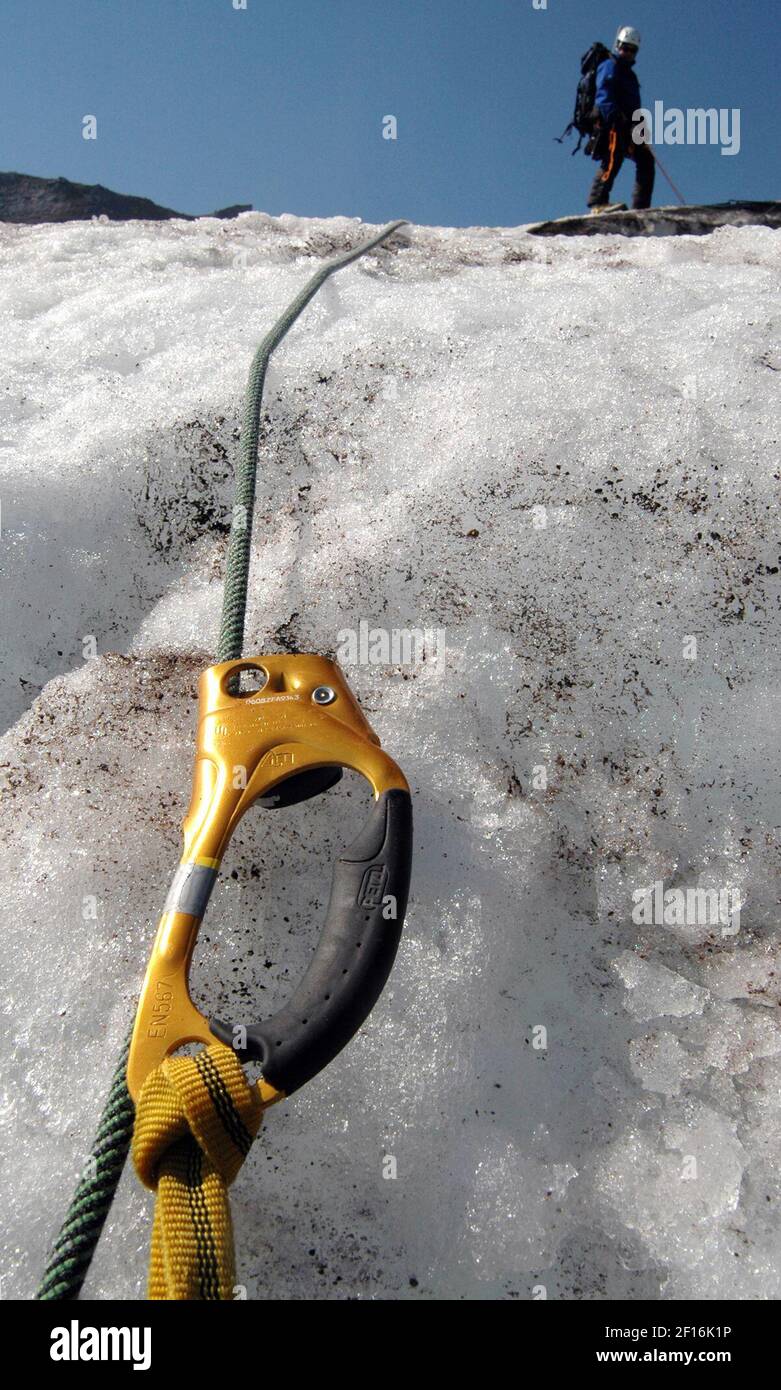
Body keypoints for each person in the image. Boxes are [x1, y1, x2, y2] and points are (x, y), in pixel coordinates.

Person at [587, 26, 655, 212]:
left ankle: (641, 208)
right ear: (617, 46)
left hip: (630, 126)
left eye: (632, 50)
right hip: (612, 124)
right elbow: (603, 95)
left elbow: (635, 105)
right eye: (624, 48)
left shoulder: (630, 76)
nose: (627, 53)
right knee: (612, 158)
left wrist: (640, 127)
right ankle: (597, 203)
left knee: (646, 160)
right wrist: (616, 117)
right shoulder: (609, 65)